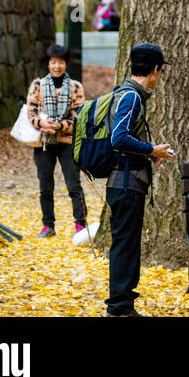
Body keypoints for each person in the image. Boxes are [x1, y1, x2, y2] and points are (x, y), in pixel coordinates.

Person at [105, 42, 175, 317]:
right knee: (125, 245)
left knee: (127, 243)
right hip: (125, 183)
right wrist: (150, 150)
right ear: (155, 69)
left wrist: (148, 154)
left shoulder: (126, 94)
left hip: (125, 180)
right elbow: (118, 138)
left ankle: (123, 305)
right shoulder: (132, 97)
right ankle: (119, 308)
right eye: (160, 71)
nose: (159, 77)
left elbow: (123, 139)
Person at [26, 44, 88, 238]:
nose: (57, 66)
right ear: (48, 63)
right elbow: (31, 111)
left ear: (66, 64)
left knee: (74, 185)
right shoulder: (37, 85)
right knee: (45, 186)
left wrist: (60, 126)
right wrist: (42, 123)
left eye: (61, 62)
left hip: (67, 142)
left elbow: (79, 116)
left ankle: (80, 224)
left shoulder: (75, 87)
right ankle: (48, 225)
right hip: (43, 142)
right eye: (53, 62)